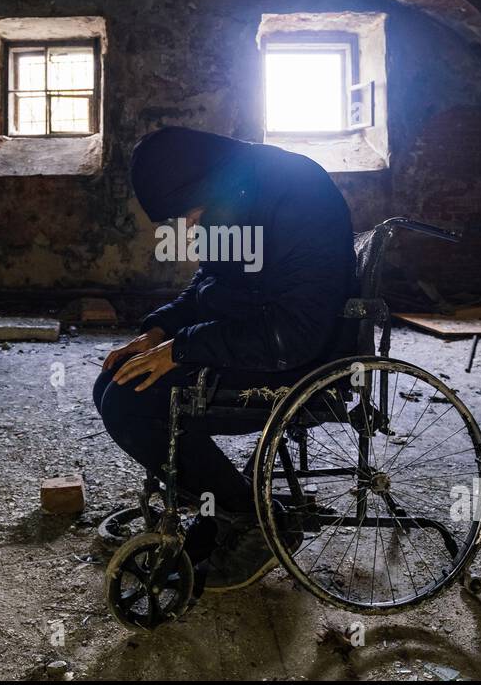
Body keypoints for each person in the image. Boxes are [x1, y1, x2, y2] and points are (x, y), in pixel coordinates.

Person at [92, 126, 356, 591]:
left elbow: (293, 333)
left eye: (189, 213)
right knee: (116, 379)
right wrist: (157, 330)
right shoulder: (238, 193)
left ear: (205, 186)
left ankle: (252, 519)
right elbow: (209, 290)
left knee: (130, 401)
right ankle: (221, 504)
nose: (189, 227)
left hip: (297, 359)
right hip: (259, 339)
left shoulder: (296, 196)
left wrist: (182, 348)